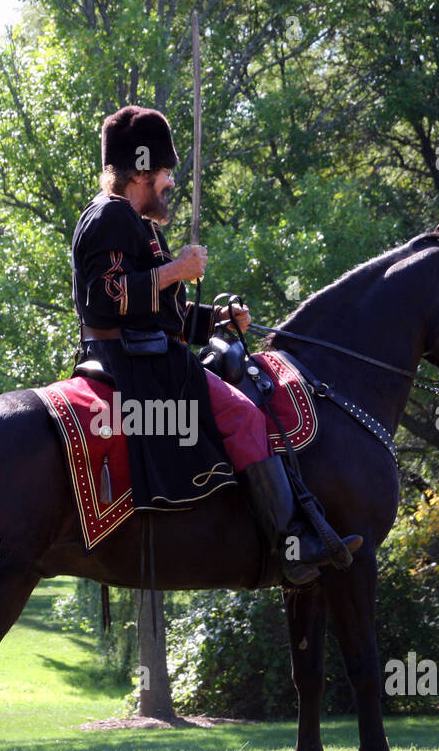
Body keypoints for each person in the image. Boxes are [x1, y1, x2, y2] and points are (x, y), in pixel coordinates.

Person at [71, 105, 358, 585]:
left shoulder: (137, 224)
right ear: (142, 170)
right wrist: (175, 271)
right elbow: (104, 297)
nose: (170, 183)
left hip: (148, 349)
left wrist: (218, 319)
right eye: (165, 172)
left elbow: (163, 314)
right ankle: (292, 543)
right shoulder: (112, 216)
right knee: (245, 413)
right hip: (134, 363)